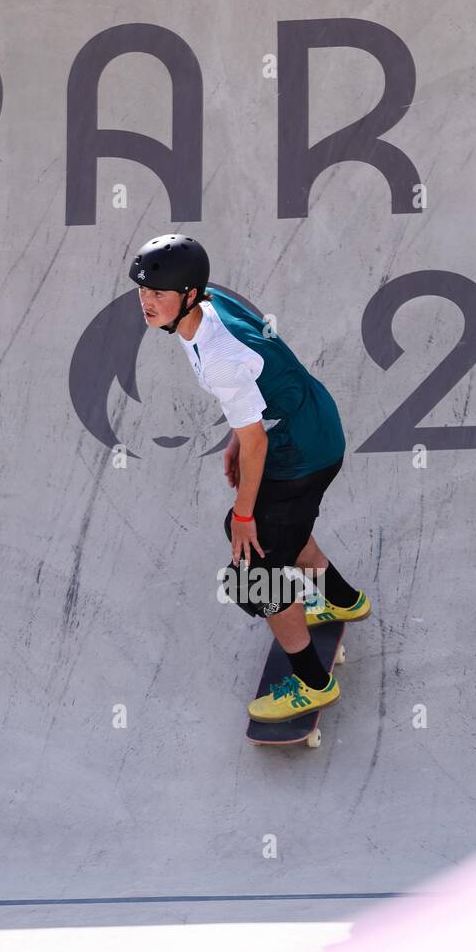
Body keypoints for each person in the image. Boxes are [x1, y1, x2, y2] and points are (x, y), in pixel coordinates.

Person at [129, 233, 371, 722]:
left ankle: (313, 681)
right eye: (143, 292)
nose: (147, 303)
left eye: (159, 294)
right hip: (309, 423)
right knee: (279, 526)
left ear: (190, 295)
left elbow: (254, 433)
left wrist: (244, 512)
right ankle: (345, 601)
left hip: (301, 449)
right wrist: (241, 434)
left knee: (251, 567)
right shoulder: (213, 307)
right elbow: (263, 375)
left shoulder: (218, 356)